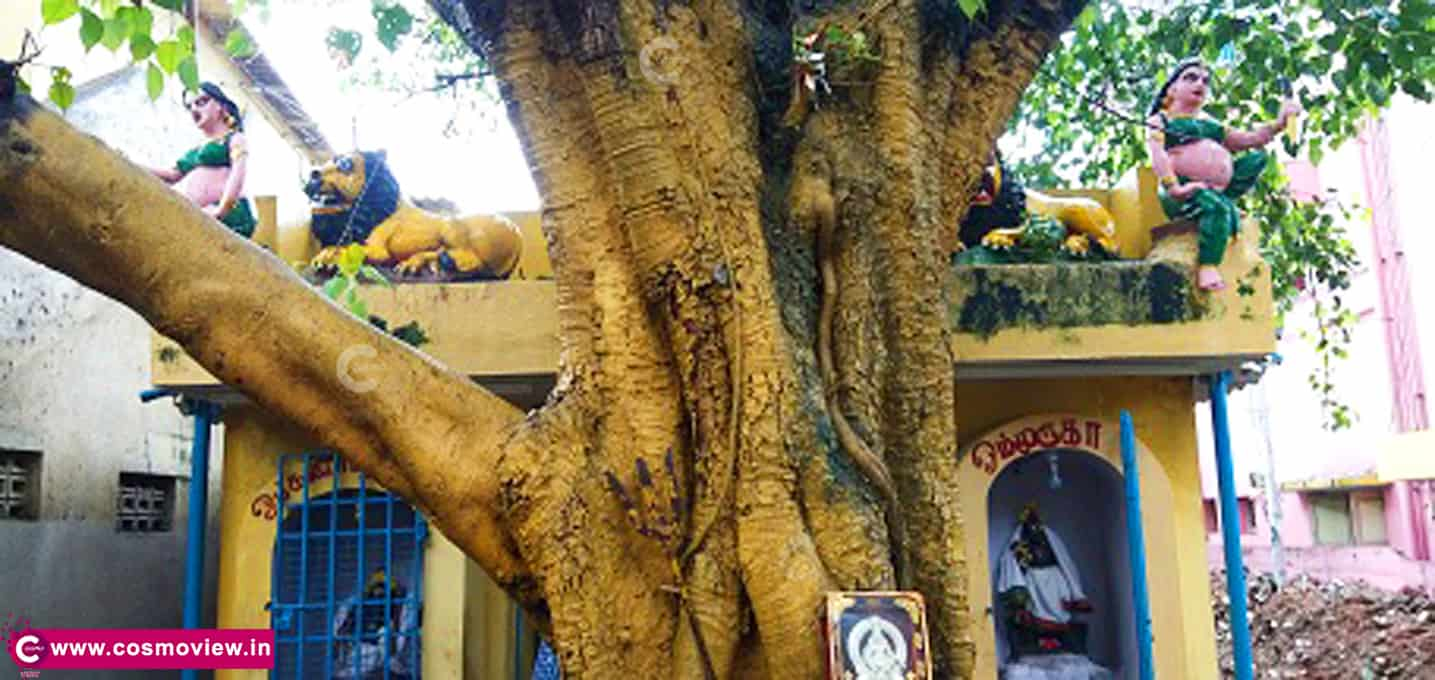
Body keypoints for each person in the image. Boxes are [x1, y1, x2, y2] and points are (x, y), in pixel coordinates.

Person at [1146, 59, 1300, 291]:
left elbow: (1249, 140)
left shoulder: (1209, 124)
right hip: (1183, 189)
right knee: (1215, 207)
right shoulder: (1160, 120)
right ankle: (1208, 265)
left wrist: (1279, 123)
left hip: (1214, 188)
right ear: (1172, 89)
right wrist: (1174, 188)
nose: (1200, 83)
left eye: (1205, 81)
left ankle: (1224, 197)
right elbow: (1158, 154)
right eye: (1191, 77)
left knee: (1257, 158)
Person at [149, 82, 256, 238]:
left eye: (201, 102)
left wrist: (222, 209)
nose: (194, 109)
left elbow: (237, 175)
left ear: (220, 105)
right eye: (189, 106)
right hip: (203, 217)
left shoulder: (234, 139)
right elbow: (172, 175)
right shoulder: (196, 150)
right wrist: (131, 164)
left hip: (229, 214)